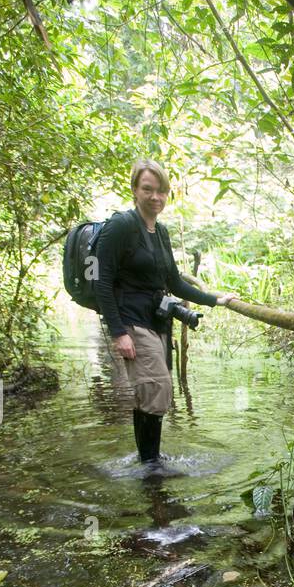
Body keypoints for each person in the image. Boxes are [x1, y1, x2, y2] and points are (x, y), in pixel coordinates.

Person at [93, 157, 235, 467]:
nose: (155, 197)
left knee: (151, 391)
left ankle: (148, 460)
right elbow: (101, 282)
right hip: (131, 323)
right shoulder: (121, 227)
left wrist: (214, 300)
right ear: (135, 189)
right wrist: (118, 333)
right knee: (158, 388)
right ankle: (151, 464)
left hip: (156, 322)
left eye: (162, 191)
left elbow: (173, 281)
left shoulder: (161, 232)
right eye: (148, 189)